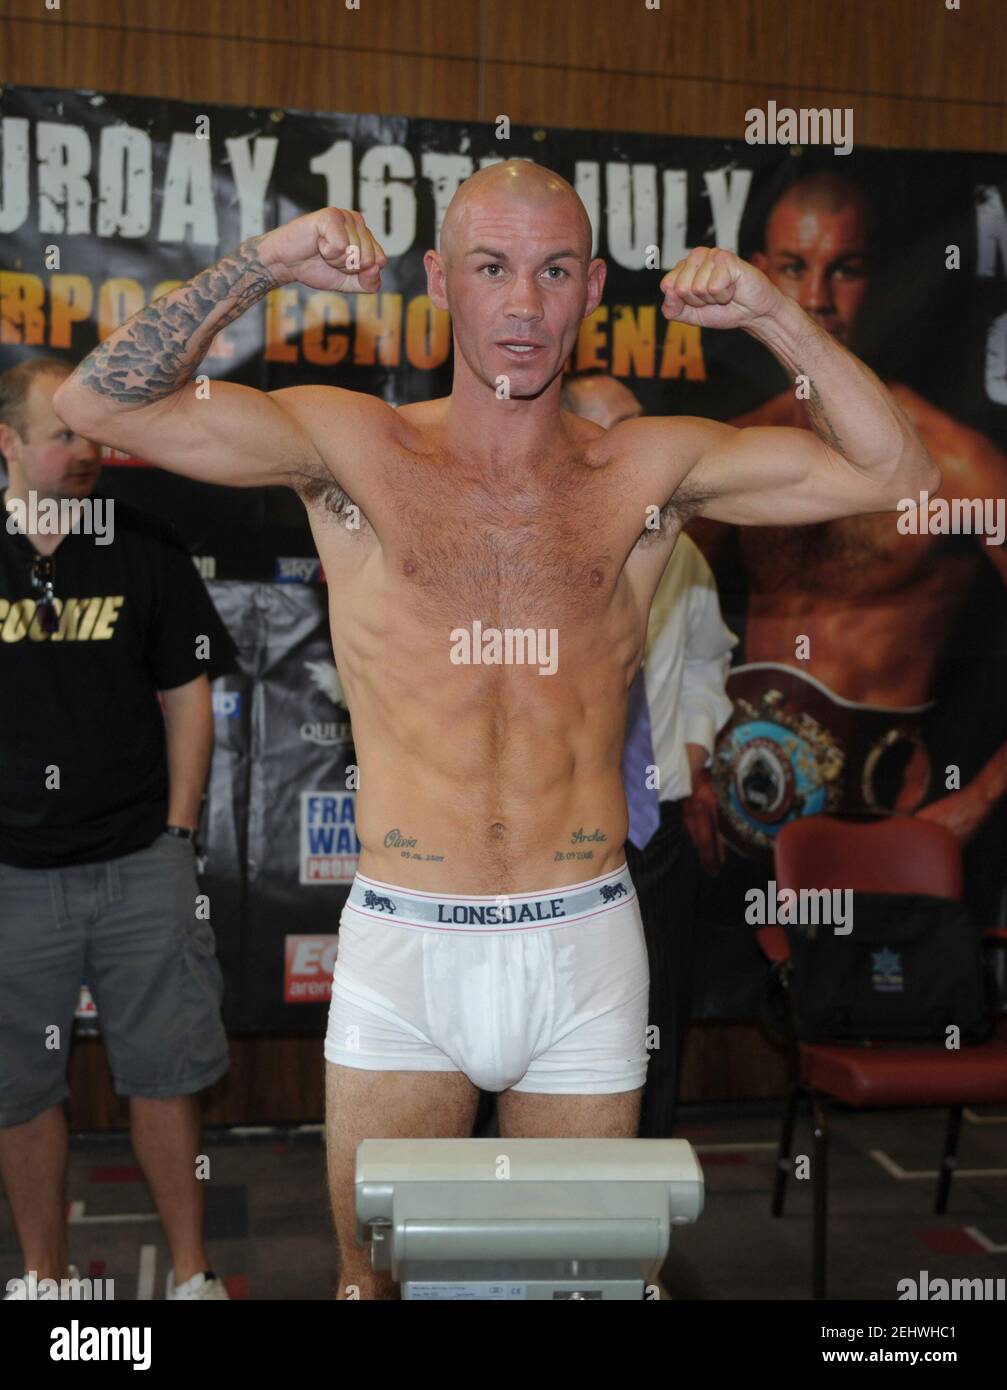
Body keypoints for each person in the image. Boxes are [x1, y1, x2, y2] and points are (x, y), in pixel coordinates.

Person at [52, 159, 937, 1299]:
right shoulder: (355, 449)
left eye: (552, 270)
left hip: (581, 948)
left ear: (591, 287)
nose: (522, 305)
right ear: (439, 282)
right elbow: (97, 404)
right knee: (370, 1285)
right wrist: (267, 262)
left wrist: (772, 310)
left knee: (571, 1283)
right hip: (408, 947)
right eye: (491, 268)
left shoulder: (647, 471)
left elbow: (894, 467)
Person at [0, 357, 237, 1301]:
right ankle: (46, 1281)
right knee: (20, 1092)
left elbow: (188, 697)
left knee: (167, 1080)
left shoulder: (143, 543)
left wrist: (178, 837)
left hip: (141, 863)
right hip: (12, 873)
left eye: (92, 432)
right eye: (60, 435)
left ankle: (191, 1275)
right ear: (6, 442)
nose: (84, 451)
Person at [691, 172, 1007, 858]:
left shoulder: (955, 466)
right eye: (793, 268)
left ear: (881, 279)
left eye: (846, 270)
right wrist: (681, 758)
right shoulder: (743, 447)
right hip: (733, 826)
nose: (815, 299)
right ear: (760, 273)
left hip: (883, 828)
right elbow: (650, 615)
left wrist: (978, 798)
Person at [563, 372, 735, 1136]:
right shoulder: (528, 550)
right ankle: (521, 1223)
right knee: (545, 1032)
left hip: (652, 832)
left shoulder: (678, 546)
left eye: (641, 425)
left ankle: (645, 1239)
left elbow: (706, 658)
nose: (638, 443)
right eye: (614, 428)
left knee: (655, 1026)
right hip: (555, 834)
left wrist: (692, 751)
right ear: (569, 440)